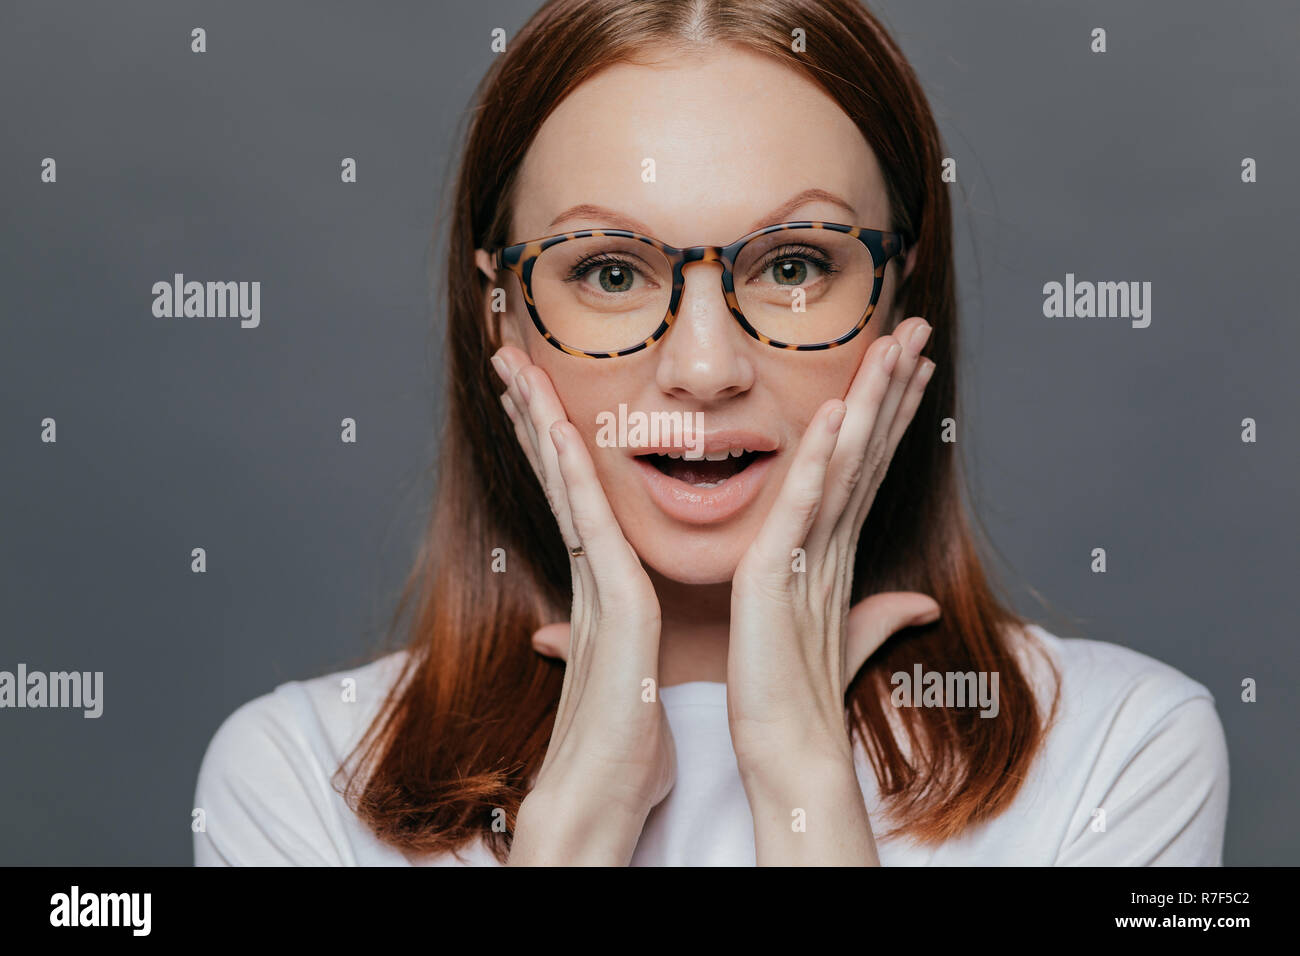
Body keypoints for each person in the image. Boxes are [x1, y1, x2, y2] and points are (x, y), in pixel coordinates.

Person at [193, 0, 1228, 866]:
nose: (701, 370)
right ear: (497, 312)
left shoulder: (1122, 750)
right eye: (607, 271)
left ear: (900, 299)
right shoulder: (303, 777)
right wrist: (580, 823)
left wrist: (801, 778)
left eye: (791, 266)